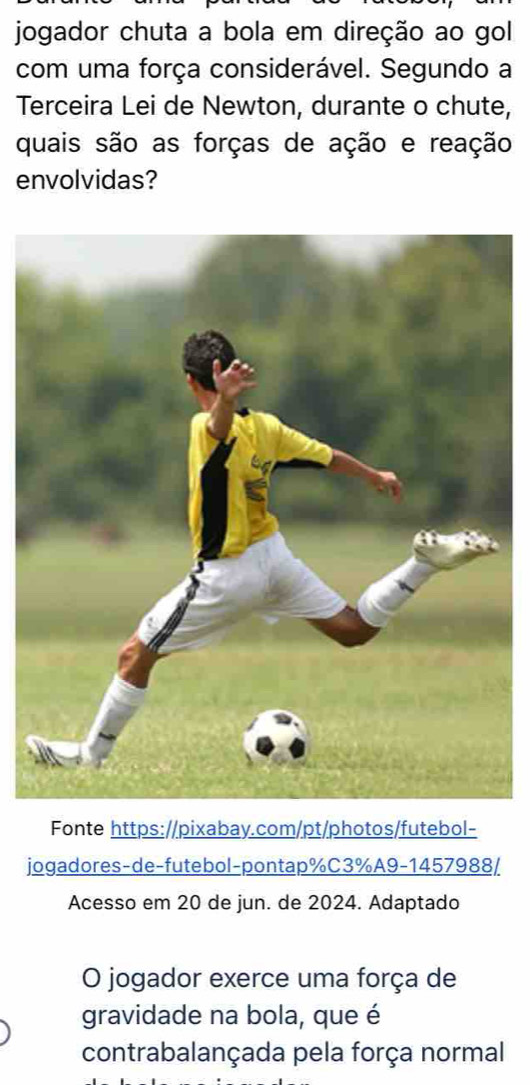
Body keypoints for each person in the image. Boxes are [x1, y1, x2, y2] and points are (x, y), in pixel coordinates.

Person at [26, 329, 499, 768]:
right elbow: (325, 455)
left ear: (192, 382)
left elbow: (216, 427)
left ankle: (91, 756)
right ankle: (420, 565)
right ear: (228, 370)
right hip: (274, 557)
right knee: (353, 629)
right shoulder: (267, 427)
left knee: (134, 655)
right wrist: (374, 475)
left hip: (227, 573)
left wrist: (223, 403)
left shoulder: (202, 426)